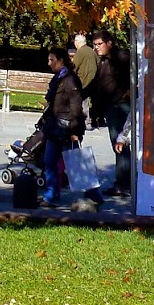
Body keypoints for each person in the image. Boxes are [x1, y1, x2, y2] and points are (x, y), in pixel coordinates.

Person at [38, 47, 88, 208]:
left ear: (61, 61)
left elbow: (76, 107)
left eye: (52, 60)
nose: (49, 63)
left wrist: (75, 131)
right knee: (50, 161)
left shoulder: (70, 80)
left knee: (77, 165)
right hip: (55, 127)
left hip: (66, 127)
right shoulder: (58, 78)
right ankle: (51, 195)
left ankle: (95, 194)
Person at [88, 29, 131, 199]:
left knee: (121, 145)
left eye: (99, 44)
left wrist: (128, 91)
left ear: (109, 43)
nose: (97, 48)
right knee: (118, 145)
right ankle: (122, 182)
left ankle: (124, 184)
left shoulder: (121, 57)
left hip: (120, 106)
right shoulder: (103, 61)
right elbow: (99, 85)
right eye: (95, 45)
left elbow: (136, 73)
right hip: (111, 107)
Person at [71, 33, 98, 97]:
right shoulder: (92, 51)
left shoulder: (80, 52)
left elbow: (73, 68)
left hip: (81, 84)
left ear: (77, 42)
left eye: (75, 41)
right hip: (92, 84)